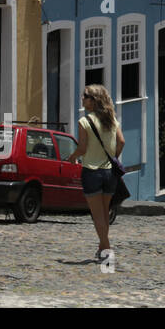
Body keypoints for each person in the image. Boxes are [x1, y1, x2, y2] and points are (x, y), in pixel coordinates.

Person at [65, 84, 125, 263]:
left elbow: (82, 148)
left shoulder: (85, 121)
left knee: (97, 215)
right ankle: (101, 248)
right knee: (105, 214)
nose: (82, 99)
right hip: (109, 173)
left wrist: (73, 156)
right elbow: (121, 141)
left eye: (85, 96)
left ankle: (107, 251)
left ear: (93, 100)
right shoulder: (112, 119)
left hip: (91, 172)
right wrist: (113, 157)